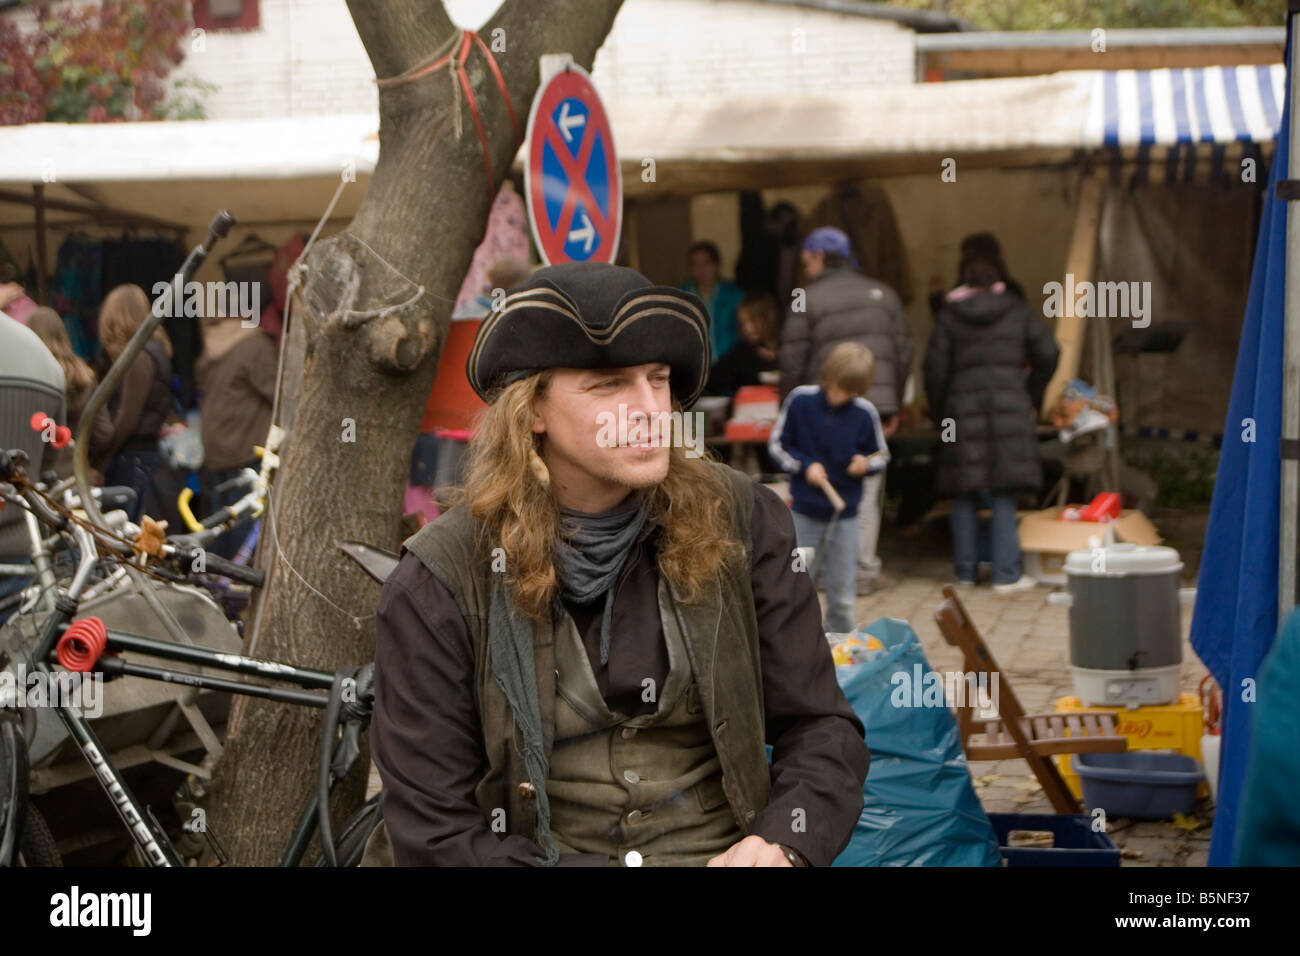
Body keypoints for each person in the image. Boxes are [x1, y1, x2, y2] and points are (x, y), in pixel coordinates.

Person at [371, 261, 869, 867]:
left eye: (657, 379)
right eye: (607, 385)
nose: (648, 408)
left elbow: (822, 727)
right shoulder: (442, 578)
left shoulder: (743, 521)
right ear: (532, 412)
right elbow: (436, 833)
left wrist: (782, 844)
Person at [778, 226, 912, 592]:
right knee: (865, 491)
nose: (804, 268)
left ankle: (820, 569)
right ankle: (861, 570)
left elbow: (792, 358)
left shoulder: (806, 297)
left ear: (819, 257)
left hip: (820, 408)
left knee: (818, 485)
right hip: (877, 404)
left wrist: (788, 406)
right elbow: (903, 352)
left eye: (807, 260)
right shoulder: (883, 294)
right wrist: (892, 403)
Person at [923, 256, 1059, 592]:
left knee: (964, 490)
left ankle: (965, 573)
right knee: (1003, 490)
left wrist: (943, 412)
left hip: (960, 409)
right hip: (1009, 405)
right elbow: (1049, 352)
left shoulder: (949, 316)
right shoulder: (1015, 308)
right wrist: (1030, 394)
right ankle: (1006, 575)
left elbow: (933, 369)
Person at [769, 342, 888, 634]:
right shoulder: (800, 401)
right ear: (827, 377)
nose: (840, 396)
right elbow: (778, 445)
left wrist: (865, 464)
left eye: (849, 392)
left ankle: (841, 647)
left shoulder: (864, 413)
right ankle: (793, 643)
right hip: (804, 513)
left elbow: (881, 455)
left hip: (844, 516)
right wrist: (804, 465)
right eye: (837, 388)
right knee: (795, 585)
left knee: (843, 595)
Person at [196, 312, 279, 559]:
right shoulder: (254, 345)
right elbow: (280, 395)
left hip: (216, 449)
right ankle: (236, 590)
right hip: (245, 449)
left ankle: (212, 586)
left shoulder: (212, 343)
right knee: (243, 533)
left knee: (219, 529)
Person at [0, 313, 65, 620]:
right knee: (19, 661)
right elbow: (51, 455)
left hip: (23, 554)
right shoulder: (42, 356)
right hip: (22, 549)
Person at [97, 284, 175, 526]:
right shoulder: (156, 349)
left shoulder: (138, 356)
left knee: (124, 531)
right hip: (146, 454)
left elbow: (127, 418)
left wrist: (99, 460)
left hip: (132, 457)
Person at [27, 307, 113, 481]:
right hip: (78, 476)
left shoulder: (30, 378)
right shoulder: (86, 376)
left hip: (37, 478)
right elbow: (103, 433)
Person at [704, 289, 780, 397]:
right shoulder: (741, 352)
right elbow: (712, 378)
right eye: (743, 323)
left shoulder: (787, 348)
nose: (747, 328)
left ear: (769, 317)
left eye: (753, 320)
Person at [681, 240, 744, 363]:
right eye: (695, 264)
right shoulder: (684, 297)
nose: (701, 269)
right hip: (696, 366)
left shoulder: (734, 296)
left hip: (729, 363)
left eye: (706, 263)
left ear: (717, 265)